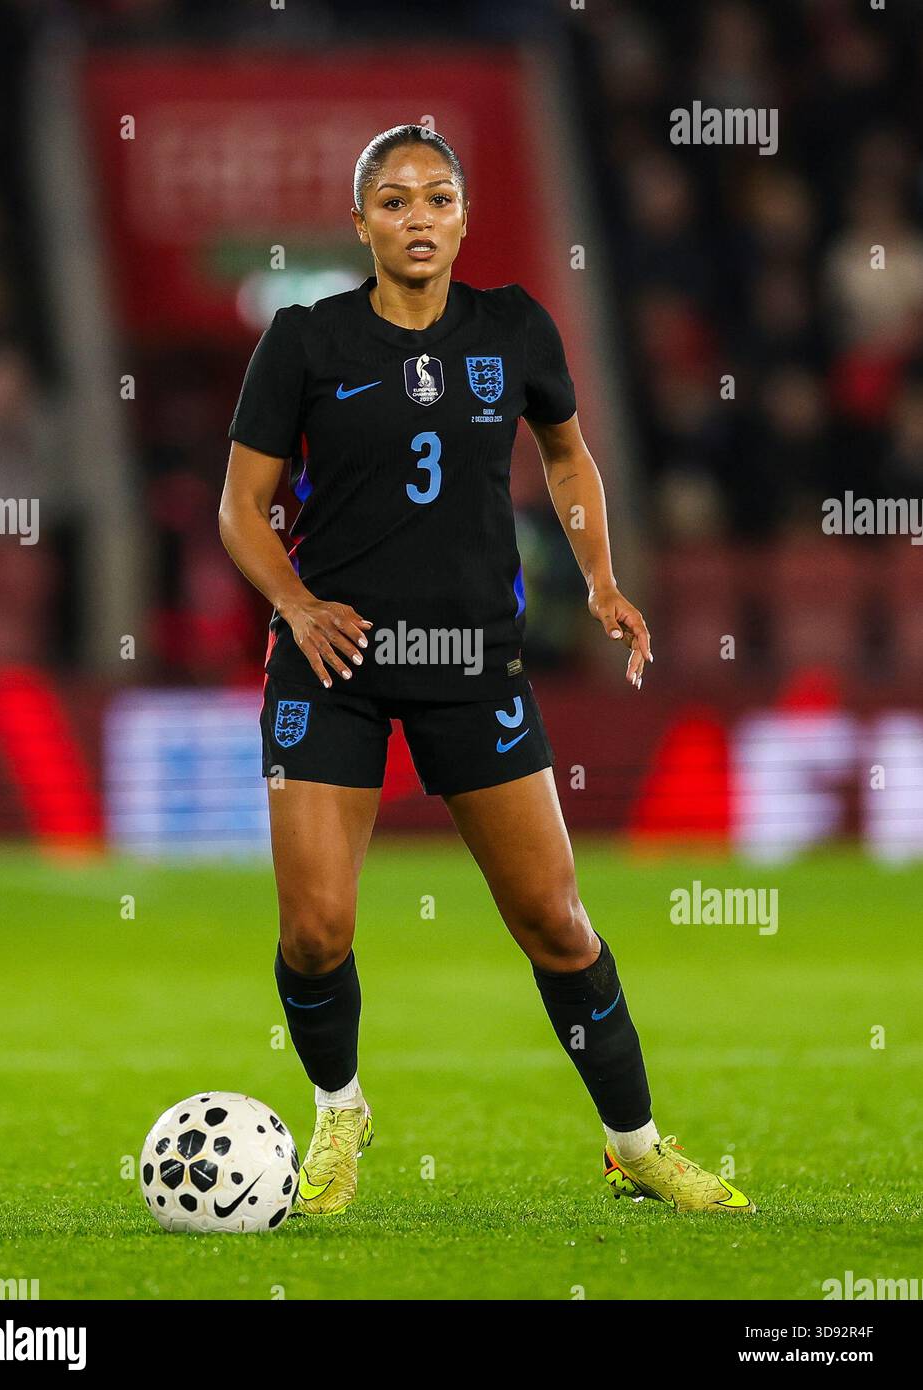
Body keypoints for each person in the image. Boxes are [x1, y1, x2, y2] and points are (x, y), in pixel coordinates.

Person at [219, 125, 756, 1217]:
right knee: (315, 929)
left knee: (555, 919)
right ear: (360, 221)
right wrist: (296, 603)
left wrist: (601, 577)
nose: (417, 217)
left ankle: (635, 1145)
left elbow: (565, 452)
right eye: (394, 200)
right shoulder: (305, 340)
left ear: (464, 217)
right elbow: (240, 505)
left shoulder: (513, 327)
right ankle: (339, 1111)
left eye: (438, 197)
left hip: (472, 661)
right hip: (338, 661)